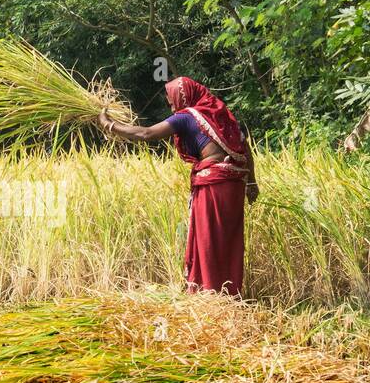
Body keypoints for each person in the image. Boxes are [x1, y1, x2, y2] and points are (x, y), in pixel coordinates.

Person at [100, 76, 257, 295]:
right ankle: (228, 294)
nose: (170, 104)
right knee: (228, 241)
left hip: (213, 185)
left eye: (172, 99)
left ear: (184, 96)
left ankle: (209, 293)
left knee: (208, 241)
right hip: (234, 185)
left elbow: (146, 133)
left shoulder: (186, 117)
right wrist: (252, 183)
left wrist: (109, 125)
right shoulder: (219, 115)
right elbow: (245, 147)